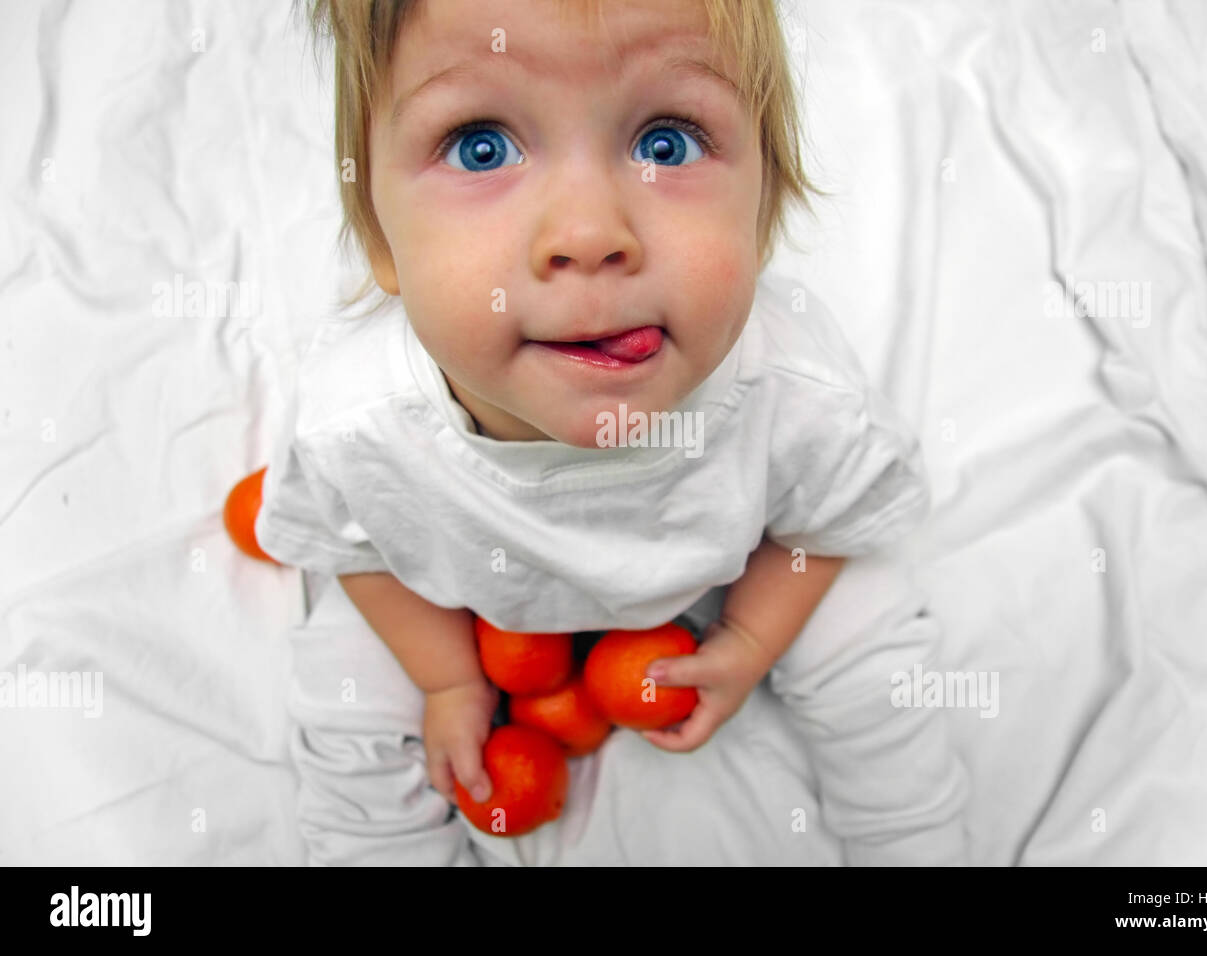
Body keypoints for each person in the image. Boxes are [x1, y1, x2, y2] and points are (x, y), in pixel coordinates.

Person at [257, 0, 970, 865]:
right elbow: (356, 551)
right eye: (483, 147)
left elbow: (829, 523)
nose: (590, 236)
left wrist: (749, 640)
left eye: (665, 143)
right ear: (378, 233)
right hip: (465, 599)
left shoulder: (794, 393)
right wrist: (448, 678)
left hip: (712, 574)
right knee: (342, 691)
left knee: (872, 622)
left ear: (764, 206)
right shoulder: (356, 427)